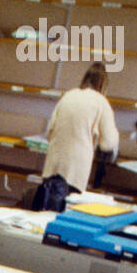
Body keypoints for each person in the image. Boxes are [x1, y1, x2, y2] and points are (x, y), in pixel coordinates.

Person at [33, 63, 119, 212]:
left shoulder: (69, 95)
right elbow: (108, 143)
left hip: (54, 163)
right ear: (104, 84)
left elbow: (49, 132)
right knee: (65, 212)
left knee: (46, 207)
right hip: (76, 169)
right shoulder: (101, 102)